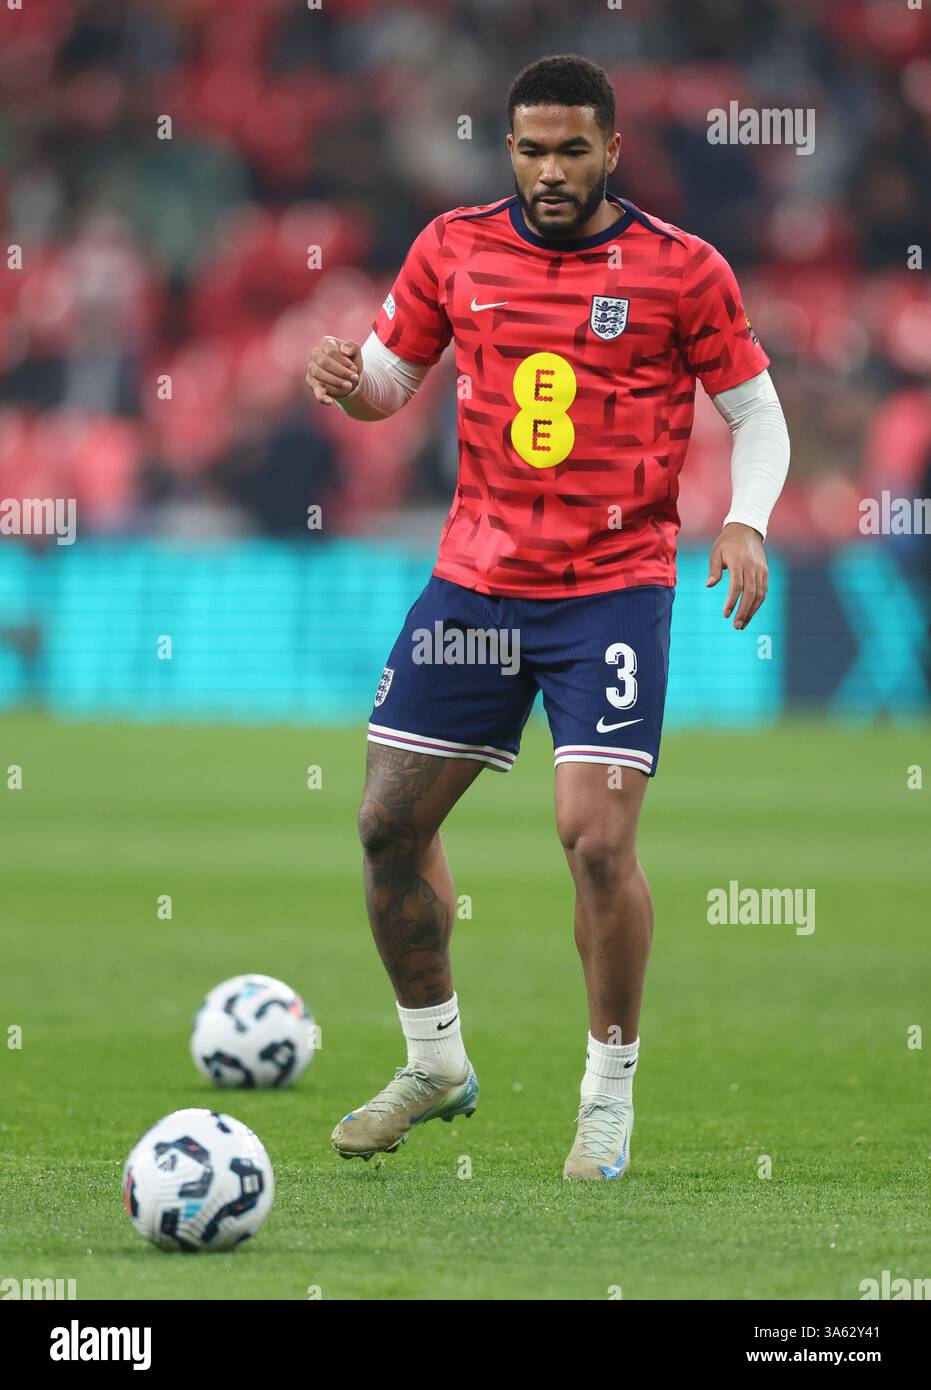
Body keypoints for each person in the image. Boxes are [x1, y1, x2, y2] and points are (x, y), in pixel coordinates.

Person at [305, 54, 789, 1180]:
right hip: (476, 586)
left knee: (596, 841)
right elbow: (389, 382)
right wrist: (347, 383)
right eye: (532, 150)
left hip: (611, 592)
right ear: (509, 150)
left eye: (574, 150)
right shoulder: (453, 246)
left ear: (612, 149)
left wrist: (744, 520)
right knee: (384, 826)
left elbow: (756, 413)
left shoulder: (681, 269)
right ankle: (435, 1062)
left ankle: (606, 1097)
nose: (552, 170)